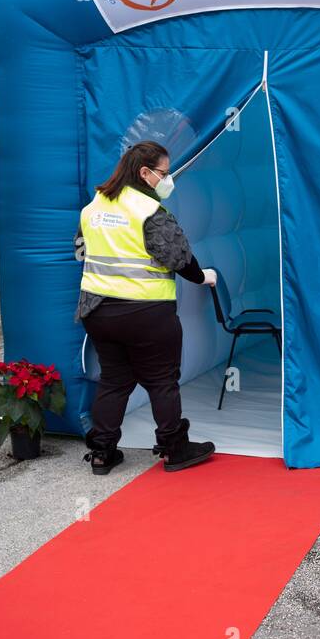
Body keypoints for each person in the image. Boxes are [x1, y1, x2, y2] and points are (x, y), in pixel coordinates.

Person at [74, 140, 218, 475]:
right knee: (161, 380)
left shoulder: (92, 208)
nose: (167, 180)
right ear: (144, 173)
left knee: (113, 380)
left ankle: (101, 452)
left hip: (97, 311)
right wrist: (202, 277)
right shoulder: (149, 212)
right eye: (164, 174)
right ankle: (175, 448)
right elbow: (180, 259)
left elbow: (80, 251)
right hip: (145, 313)